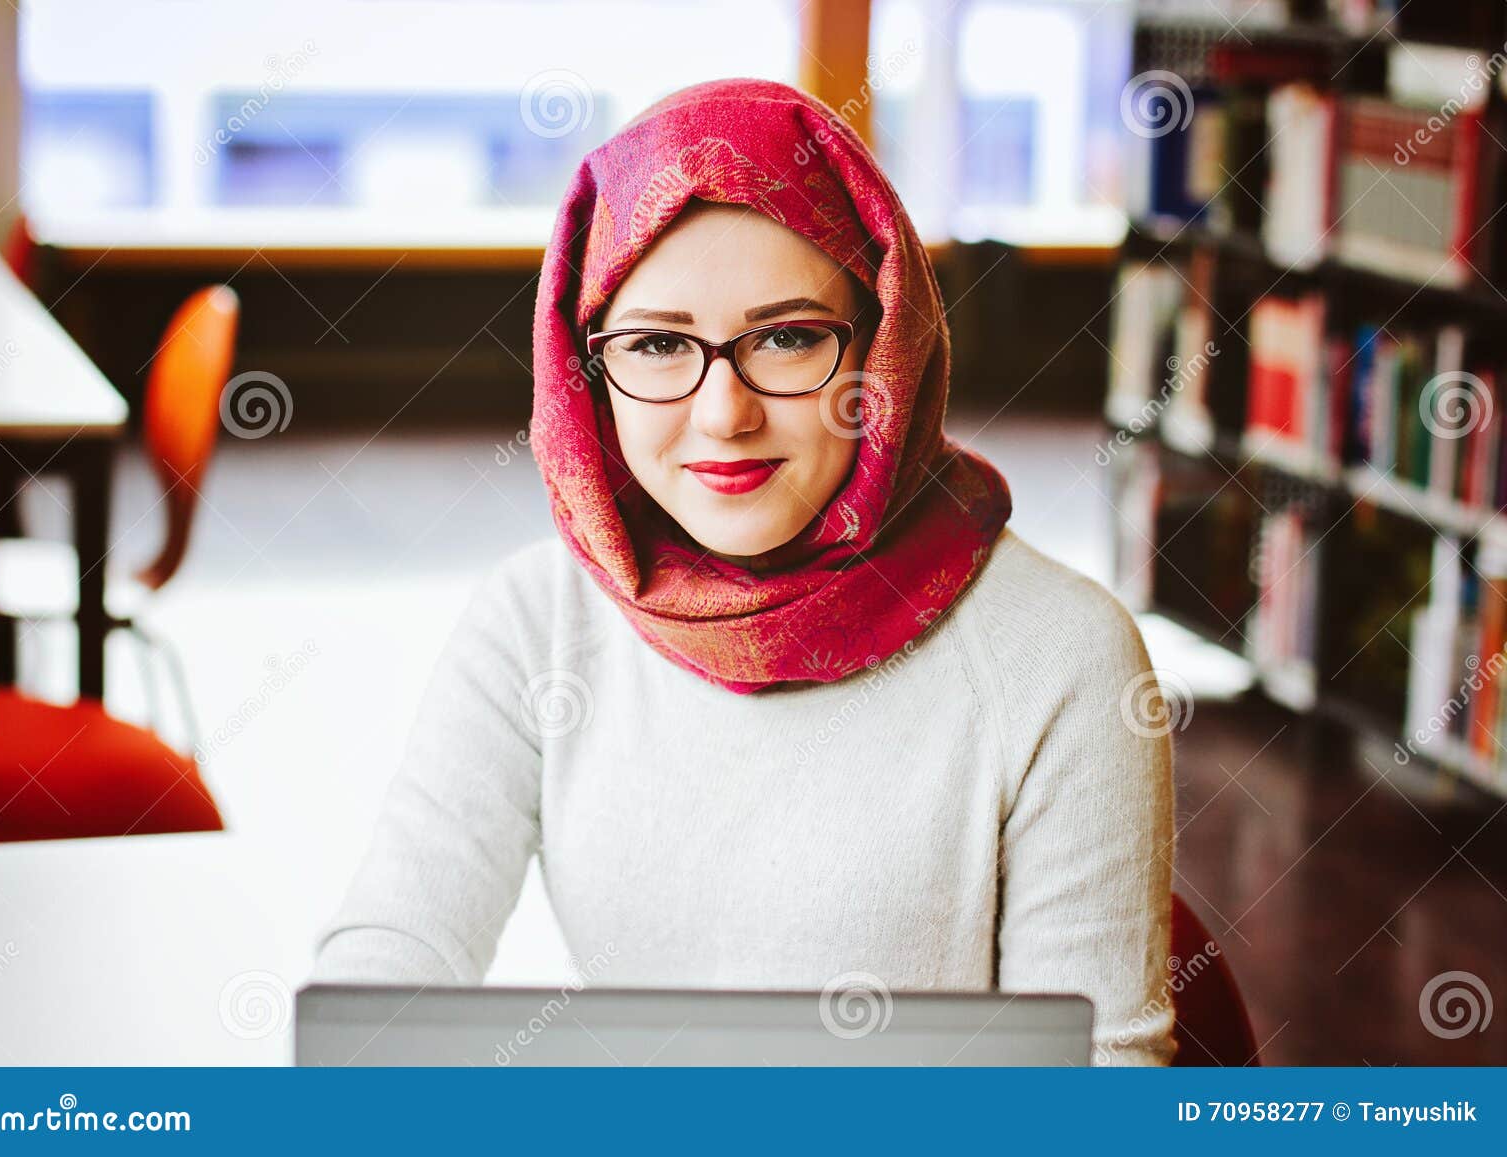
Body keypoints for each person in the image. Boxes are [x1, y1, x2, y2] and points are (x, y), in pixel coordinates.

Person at [312, 77, 1176, 1066]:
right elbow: (391, 959)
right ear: (587, 371)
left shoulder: (1062, 656)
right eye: (656, 344)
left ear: (885, 345)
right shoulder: (534, 621)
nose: (724, 414)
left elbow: (1105, 1083)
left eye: (789, 337)